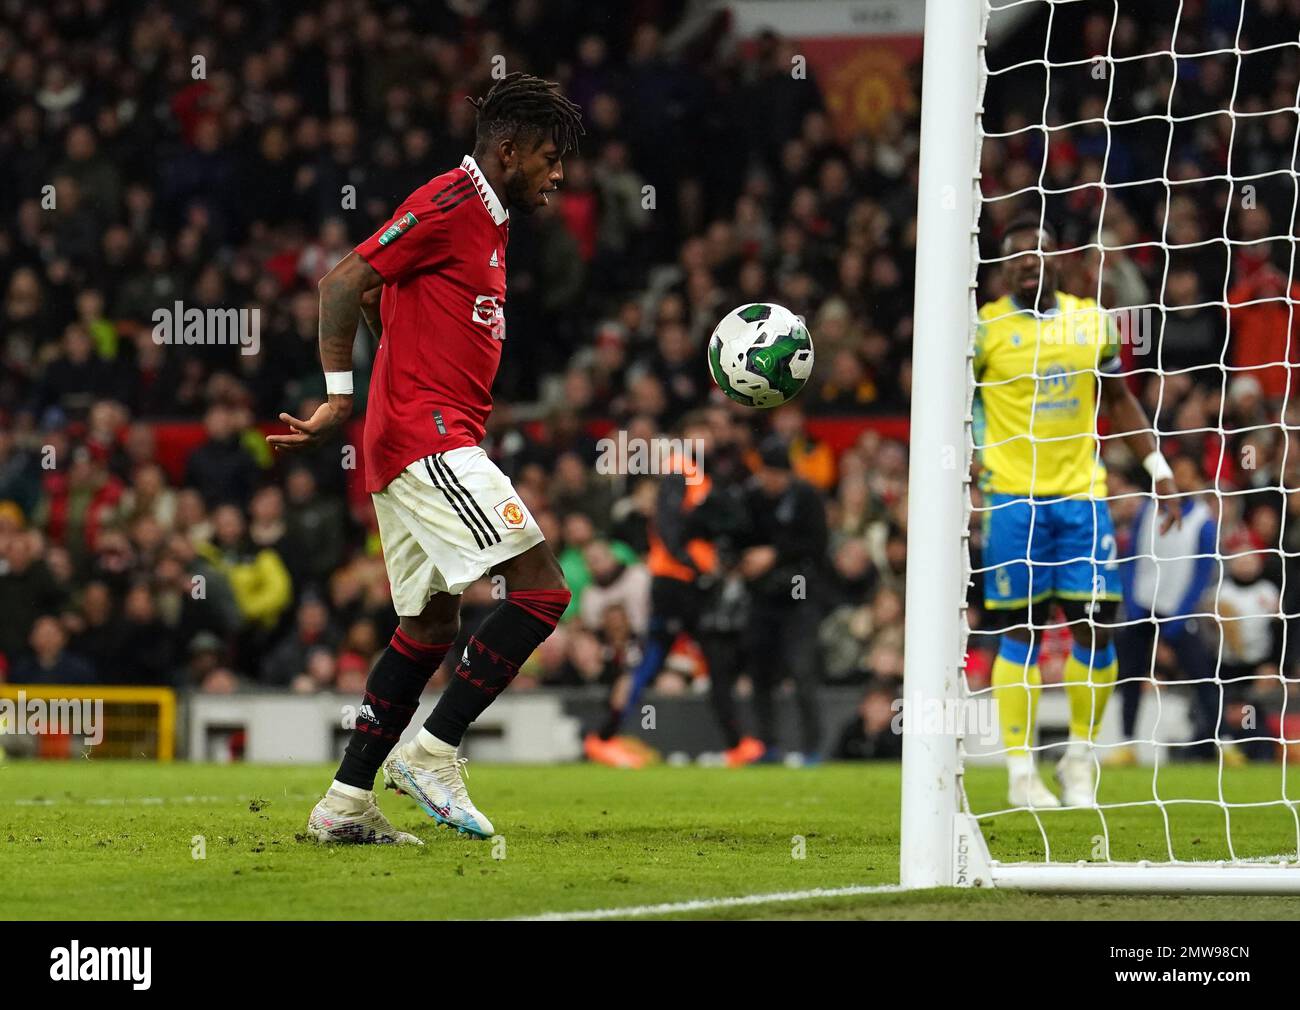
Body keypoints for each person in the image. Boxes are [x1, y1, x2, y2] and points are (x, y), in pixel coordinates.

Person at [269, 74, 584, 845]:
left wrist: (393, 372)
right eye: (548, 156)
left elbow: (384, 300)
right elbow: (344, 282)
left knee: (430, 624)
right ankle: (434, 754)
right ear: (506, 152)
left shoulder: (491, 220)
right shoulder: (452, 201)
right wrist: (342, 398)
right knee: (542, 593)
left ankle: (345, 803)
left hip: (410, 433)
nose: (560, 174)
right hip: (428, 436)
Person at [975, 216, 1180, 808]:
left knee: (1096, 624)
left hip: (1083, 500)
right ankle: (1019, 773)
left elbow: (1118, 399)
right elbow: (956, 402)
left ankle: (1079, 761)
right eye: (1016, 257)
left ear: (1059, 261)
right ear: (1003, 269)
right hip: (1012, 500)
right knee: (1022, 631)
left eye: (1037, 253)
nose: (1027, 263)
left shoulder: (1092, 322)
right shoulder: (983, 330)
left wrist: (1159, 470)